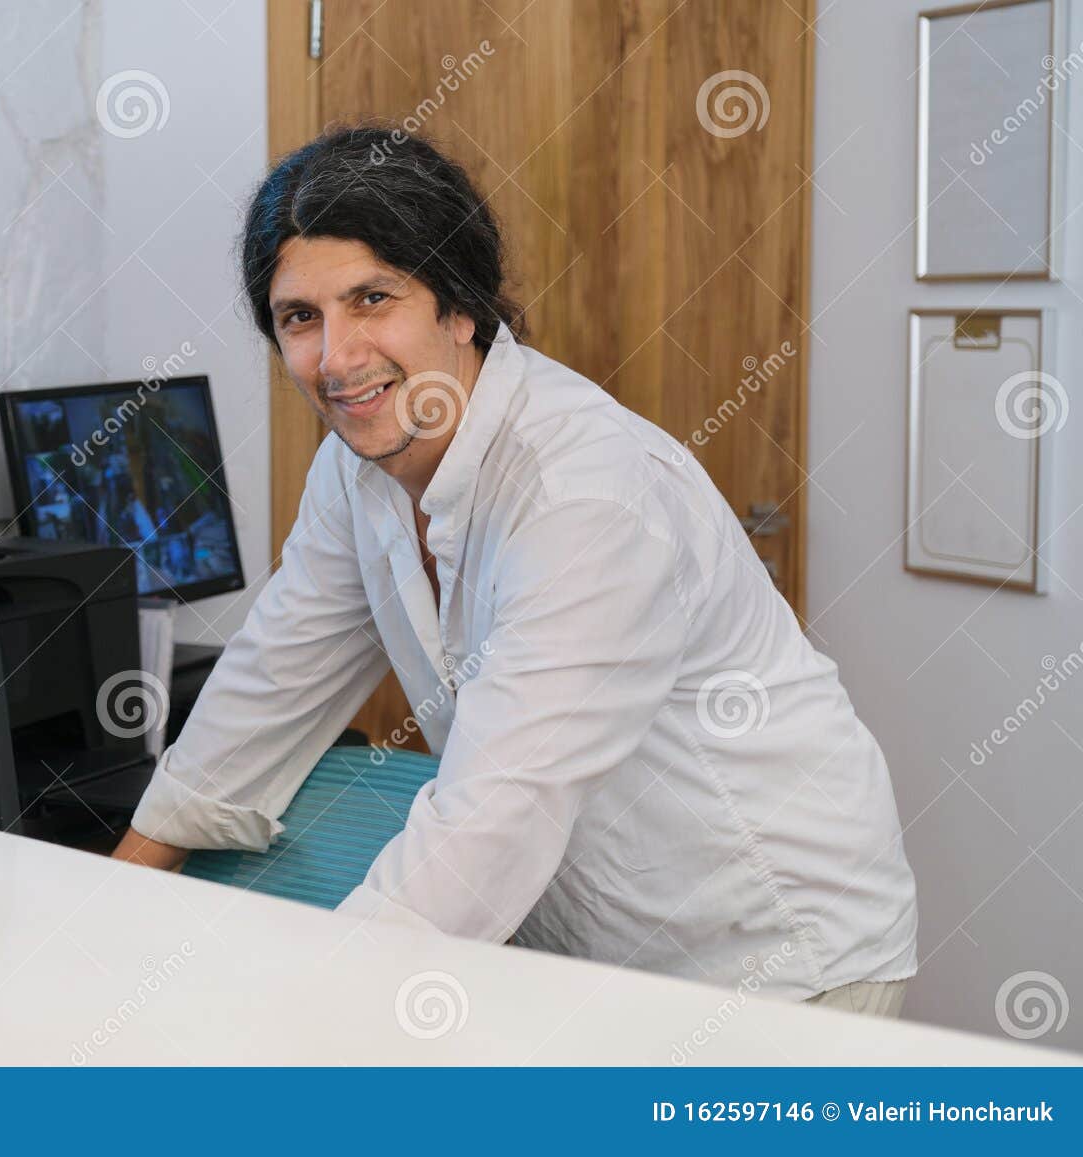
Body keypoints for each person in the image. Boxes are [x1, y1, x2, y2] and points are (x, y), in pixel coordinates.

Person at [112, 124, 917, 1015]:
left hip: (781, 953)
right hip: (601, 954)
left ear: (458, 306)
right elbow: (269, 682)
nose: (335, 359)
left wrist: (302, 1020)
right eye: (301, 317)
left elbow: (493, 818)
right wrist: (110, 908)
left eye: (373, 298)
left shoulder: (582, 497)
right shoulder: (356, 471)